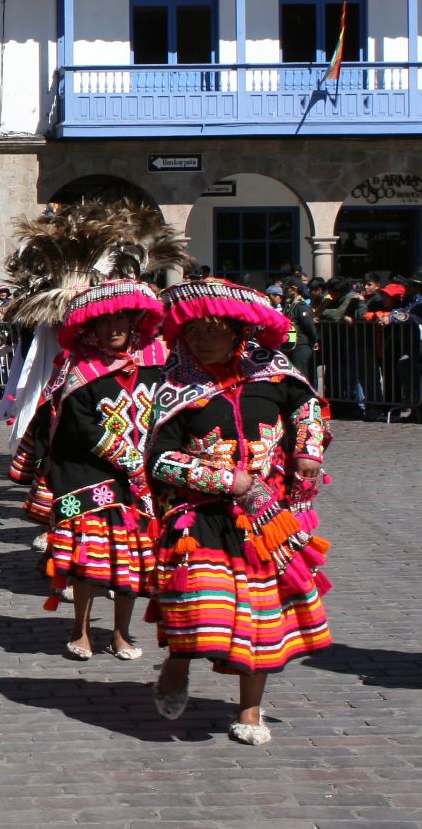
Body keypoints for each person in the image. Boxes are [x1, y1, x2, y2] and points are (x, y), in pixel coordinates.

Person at [149, 280, 332, 746]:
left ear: (237, 331)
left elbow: (308, 408)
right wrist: (225, 480)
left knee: (262, 614)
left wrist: (309, 451)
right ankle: (178, 662)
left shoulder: (273, 374)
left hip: (267, 516)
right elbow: (160, 460)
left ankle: (249, 709)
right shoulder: (174, 388)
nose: (202, 340)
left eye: (212, 330)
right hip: (201, 516)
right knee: (202, 607)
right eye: (193, 332)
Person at [7, 280, 164, 662]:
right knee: (88, 558)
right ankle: (80, 628)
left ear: (134, 321)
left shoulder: (156, 363)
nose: (114, 328)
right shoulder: (80, 368)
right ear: (90, 326)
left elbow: (166, 411)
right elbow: (77, 425)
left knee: (132, 559)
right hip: (88, 475)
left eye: (121, 319)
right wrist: (126, 457)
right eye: (104, 321)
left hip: (142, 480)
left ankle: (122, 633)